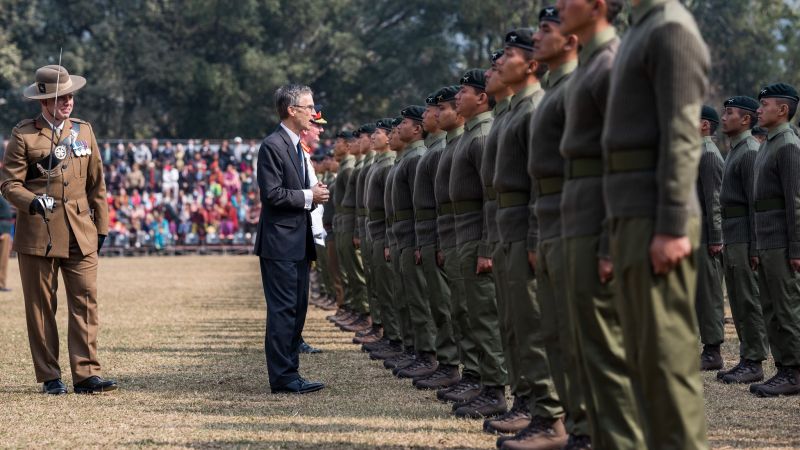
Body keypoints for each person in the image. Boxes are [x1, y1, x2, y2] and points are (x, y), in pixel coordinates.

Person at [603, 0, 710, 446]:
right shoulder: (641, 29)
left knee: (666, 363)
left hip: (656, 216)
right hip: (633, 213)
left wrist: (670, 224)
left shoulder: (670, 29)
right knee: (643, 361)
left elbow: (682, 133)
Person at [556, 1, 645, 448]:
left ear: (597, 8)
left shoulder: (610, 64)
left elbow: (625, 161)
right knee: (586, 343)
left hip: (597, 222)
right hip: (577, 219)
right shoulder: (592, 67)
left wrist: (611, 242)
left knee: (608, 350)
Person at [0, 64, 117, 395]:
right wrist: (32, 202)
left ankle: (86, 374)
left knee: (86, 300)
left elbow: (97, 184)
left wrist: (102, 225)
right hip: (38, 231)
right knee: (40, 307)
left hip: (81, 229)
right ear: (43, 101)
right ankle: (50, 375)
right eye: (60, 97)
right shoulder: (23, 135)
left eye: (70, 96)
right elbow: (9, 184)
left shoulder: (84, 131)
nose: (68, 102)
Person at [491, 28, 565, 450]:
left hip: (526, 225)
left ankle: (549, 415)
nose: (499, 63)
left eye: (508, 56)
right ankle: (529, 404)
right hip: (508, 225)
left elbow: (541, 181)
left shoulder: (534, 107)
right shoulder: (516, 110)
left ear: (531, 64)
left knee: (534, 325)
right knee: (516, 322)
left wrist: (535, 235)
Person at [526, 5, 590, 447]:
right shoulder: (551, 93)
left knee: (578, 336)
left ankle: (583, 429)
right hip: (545, 222)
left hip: (573, 223)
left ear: (570, 40)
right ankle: (558, 421)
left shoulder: (576, 88)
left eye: (546, 29)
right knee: (548, 331)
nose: (537, 38)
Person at [255, 84, 328, 394]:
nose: (314, 112)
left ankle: (290, 371)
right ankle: (283, 377)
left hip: (297, 242)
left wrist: (312, 196)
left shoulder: (296, 146)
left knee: (297, 308)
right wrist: (308, 195)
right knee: (283, 310)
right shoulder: (272, 146)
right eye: (309, 106)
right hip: (280, 243)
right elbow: (271, 194)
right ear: (291, 110)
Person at [406, 87, 460, 384]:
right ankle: (434, 356)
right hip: (428, 234)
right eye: (431, 110)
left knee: (443, 304)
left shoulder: (435, 152)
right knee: (428, 300)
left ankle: (447, 361)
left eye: (438, 110)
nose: (433, 115)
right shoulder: (434, 151)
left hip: (443, 235)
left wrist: (435, 241)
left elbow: (442, 204)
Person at [750, 83, 800, 397]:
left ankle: (794, 371)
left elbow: (795, 201)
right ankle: (783, 368)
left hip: (782, 240)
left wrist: (796, 247)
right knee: (770, 307)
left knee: (787, 307)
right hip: (767, 239)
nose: (758, 109)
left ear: (782, 110)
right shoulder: (769, 143)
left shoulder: (788, 146)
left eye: (764, 104)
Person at [717, 95, 768, 384]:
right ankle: (747, 358)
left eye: (730, 113)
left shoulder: (748, 150)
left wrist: (753, 245)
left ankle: (754, 361)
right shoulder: (736, 149)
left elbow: (754, 202)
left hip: (744, 237)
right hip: (732, 235)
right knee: (737, 300)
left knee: (749, 301)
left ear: (746, 119)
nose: (724, 118)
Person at [696, 105, 725, 371]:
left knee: (709, 294)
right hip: (694, 236)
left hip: (706, 237)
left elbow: (714, 200)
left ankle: (713, 351)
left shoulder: (707, 154)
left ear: (704, 125)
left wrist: (716, 238)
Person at [0, 191, 13, 292]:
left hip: (6, 231)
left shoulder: (2, 196)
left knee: (4, 261)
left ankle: (1, 284)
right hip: (2, 232)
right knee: (2, 260)